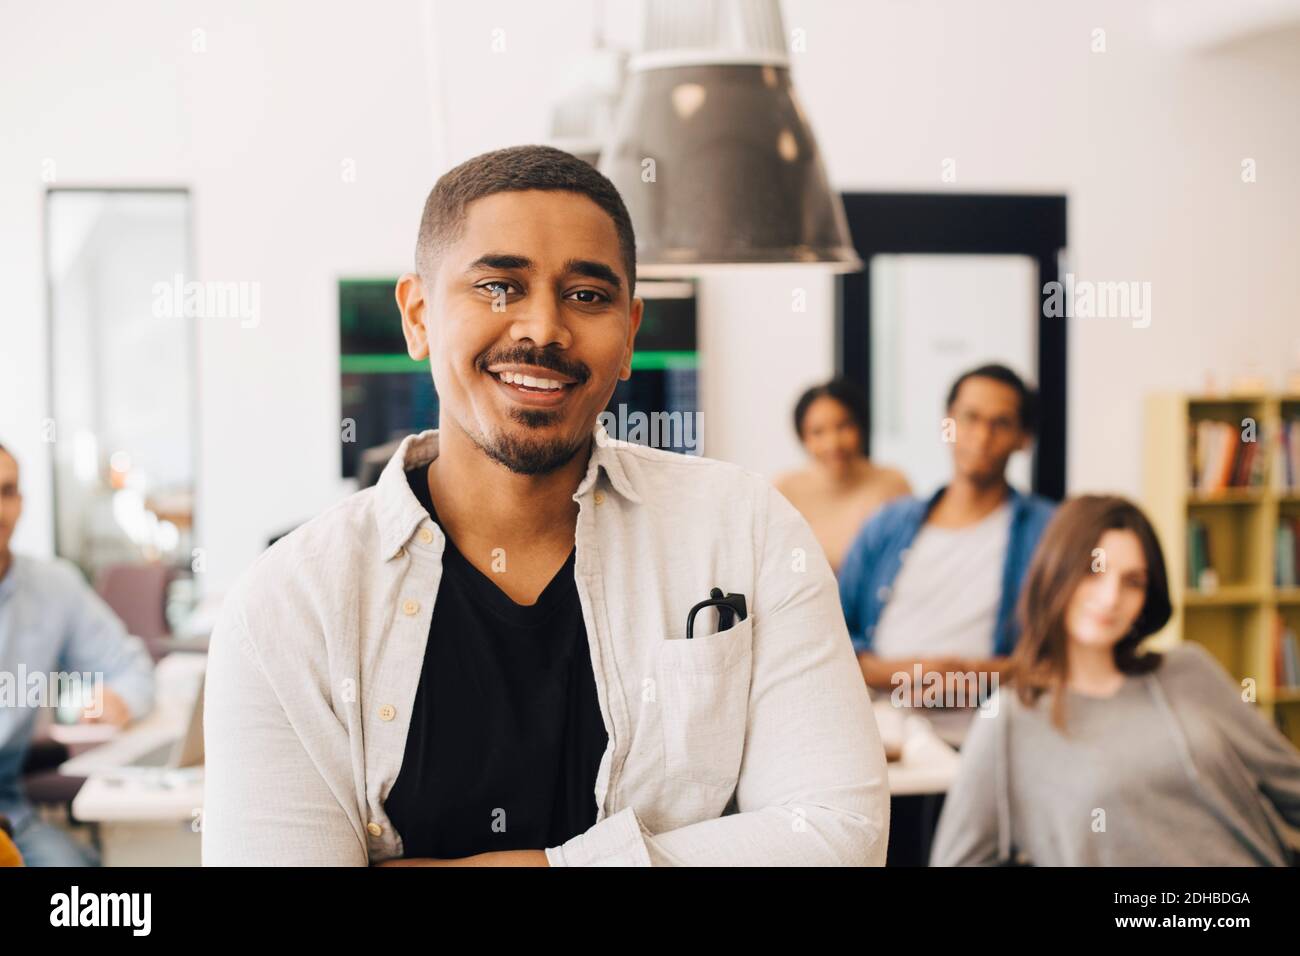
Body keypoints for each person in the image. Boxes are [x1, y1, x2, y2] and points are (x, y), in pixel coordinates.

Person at [202, 144, 889, 867]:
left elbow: (840, 837)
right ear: (418, 316)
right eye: (499, 286)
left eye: (588, 295)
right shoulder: (288, 604)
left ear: (629, 334)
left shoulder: (743, 531)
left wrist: (550, 866)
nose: (542, 329)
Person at [931, 495, 1300, 866]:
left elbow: (1291, 786)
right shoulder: (1009, 721)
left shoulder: (1187, 671)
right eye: (1094, 571)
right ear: (1056, 570)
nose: (1110, 598)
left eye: (1133, 582)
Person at [839, 364, 1056, 745]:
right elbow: (830, 633)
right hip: (879, 734)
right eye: (970, 418)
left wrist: (976, 676)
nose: (982, 436)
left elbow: (1063, 659)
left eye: (1001, 423)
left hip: (985, 738)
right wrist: (897, 672)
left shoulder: (1047, 532)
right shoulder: (888, 523)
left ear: (1023, 439)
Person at [0, 442, 155, 866]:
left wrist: (117, 699)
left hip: (10, 812)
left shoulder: (54, 588)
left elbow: (130, 668)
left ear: (21, 503)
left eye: (6, 491)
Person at [775, 378, 910, 574]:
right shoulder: (785, 490)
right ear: (803, 437)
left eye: (844, 426)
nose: (833, 443)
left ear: (861, 427)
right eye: (818, 432)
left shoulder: (892, 484)